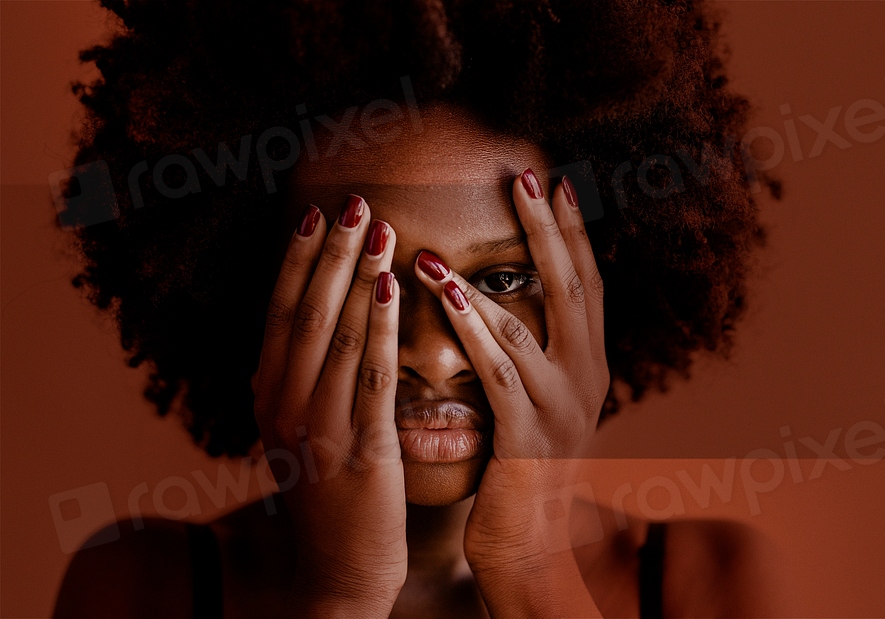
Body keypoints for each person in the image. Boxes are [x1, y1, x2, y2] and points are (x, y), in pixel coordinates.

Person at [53, 0, 782, 616]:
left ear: (590, 299)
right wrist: (343, 591)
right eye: (366, 282)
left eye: (500, 282)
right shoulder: (141, 585)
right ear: (262, 297)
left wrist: (532, 564)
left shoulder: (707, 581)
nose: (432, 354)